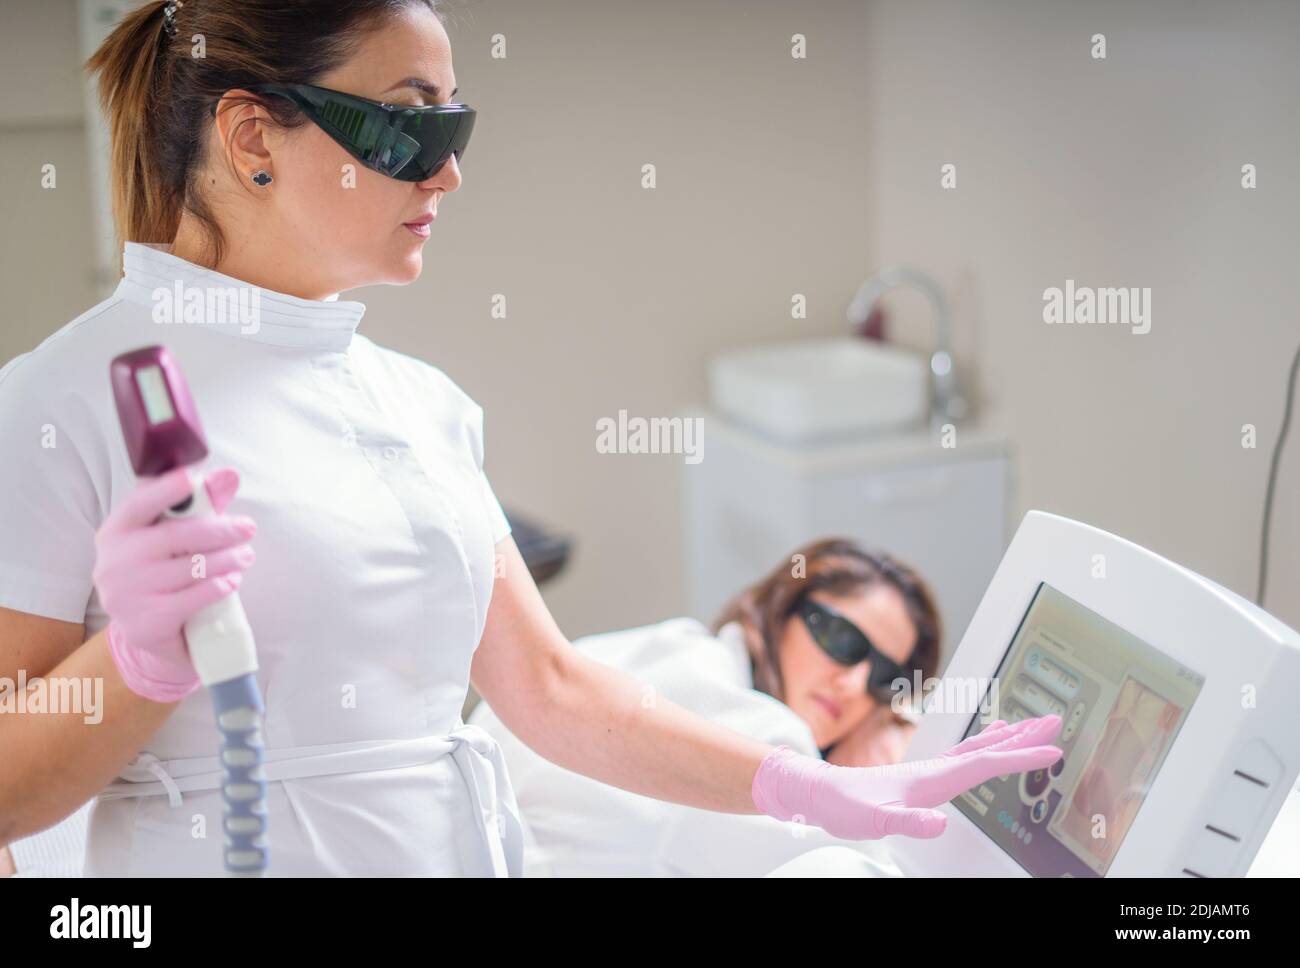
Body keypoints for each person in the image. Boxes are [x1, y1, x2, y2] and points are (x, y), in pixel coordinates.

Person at [0, 0, 1062, 876]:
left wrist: (809, 789)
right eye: (412, 123)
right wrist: (133, 658)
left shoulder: (420, 403)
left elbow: (548, 690)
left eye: (457, 123)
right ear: (250, 136)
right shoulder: (60, 400)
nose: (449, 170)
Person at [470, 538, 951, 875]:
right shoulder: (759, 729)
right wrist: (885, 763)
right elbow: (890, 867)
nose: (854, 683)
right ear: (782, 607)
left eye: (886, 680)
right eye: (843, 641)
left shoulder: (677, 645)